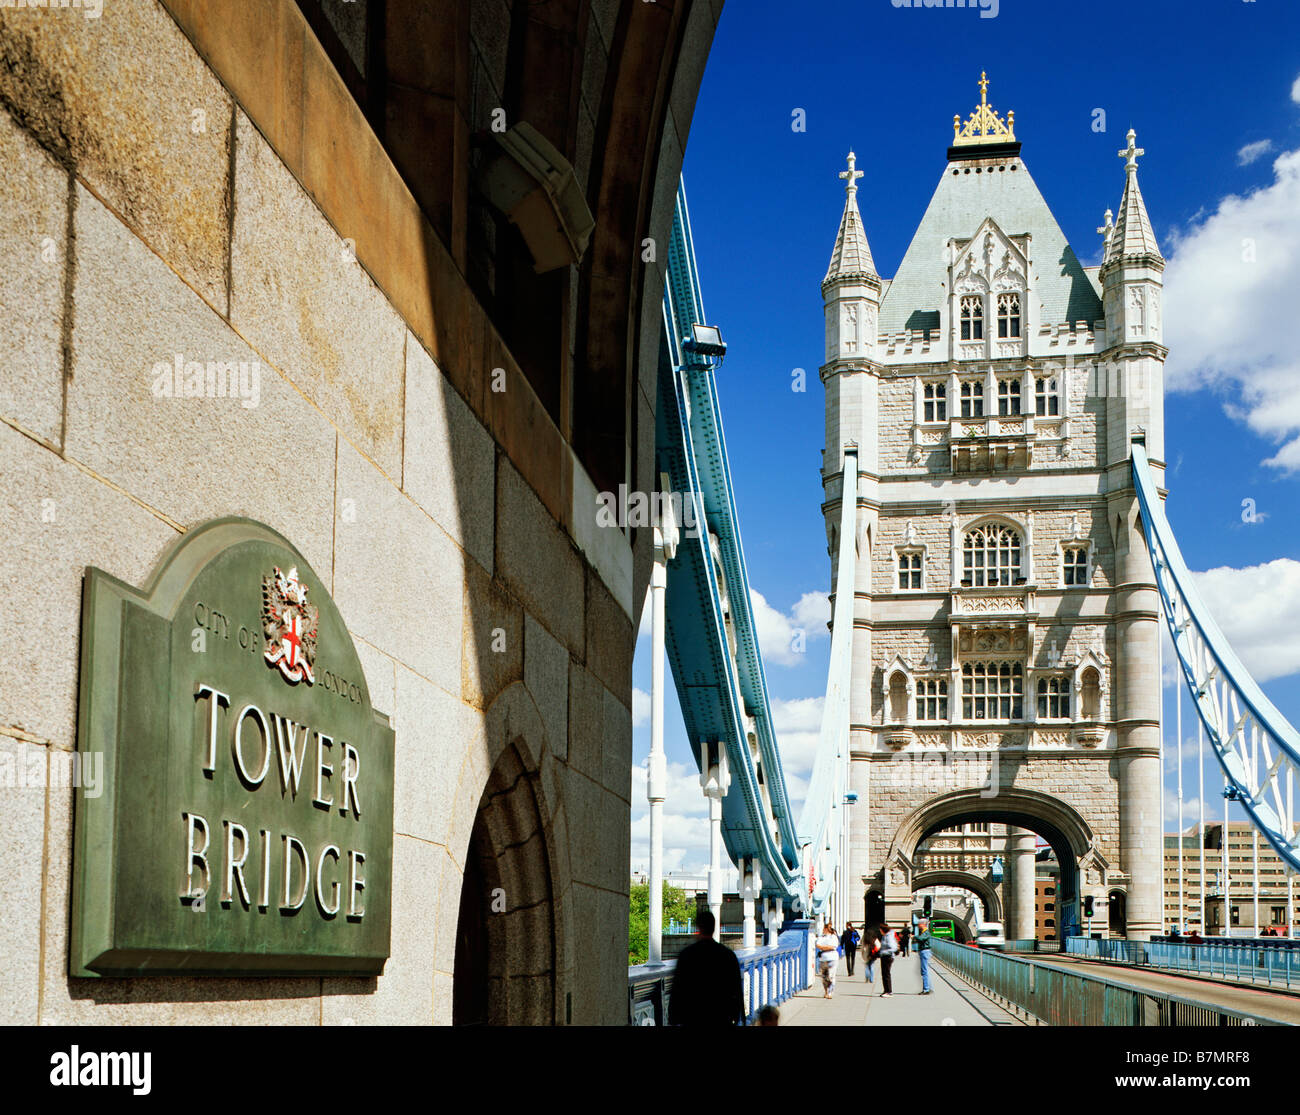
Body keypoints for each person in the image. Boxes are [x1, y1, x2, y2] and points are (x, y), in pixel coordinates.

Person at [668, 909, 744, 1026]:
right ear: (714, 928)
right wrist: (737, 1016)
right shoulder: (728, 955)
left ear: (698, 928)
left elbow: (678, 990)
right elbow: (736, 990)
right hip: (721, 1018)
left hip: (693, 1018)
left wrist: (673, 1019)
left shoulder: (687, 955)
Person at [815, 923, 840, 998]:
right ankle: (826, 991)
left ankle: (830, 992)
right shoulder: (821, 937)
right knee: (824, 977)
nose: (822, 930)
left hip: (833, 958)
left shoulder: (833, 937)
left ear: (826, 929)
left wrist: (823, 947)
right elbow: (817, 945)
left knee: (831, 976)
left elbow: (833, 946)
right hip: (823, 959)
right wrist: (826, 947)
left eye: (823, 929)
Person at [876, 923, 899, 997]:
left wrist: (883, 952)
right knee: (884, 974)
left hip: (887, 957)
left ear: (883, 930)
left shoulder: (888, 937)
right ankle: (886, 990)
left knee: (886, 974)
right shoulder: (885, 936)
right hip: (884, 956)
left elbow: (893, 947)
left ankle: (889, 991)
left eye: (880, 930)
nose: (880, 932)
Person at [914, 918, 933, 994]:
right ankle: (928, 987)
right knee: (924, 970)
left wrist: (915, 937)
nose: (918, 926)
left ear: (922, 924)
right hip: (924, 951)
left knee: (924, 971)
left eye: (919, 924)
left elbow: (921, 939)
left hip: (924, 951)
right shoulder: (924, 932)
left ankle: (926, 989)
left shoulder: (926, 932)